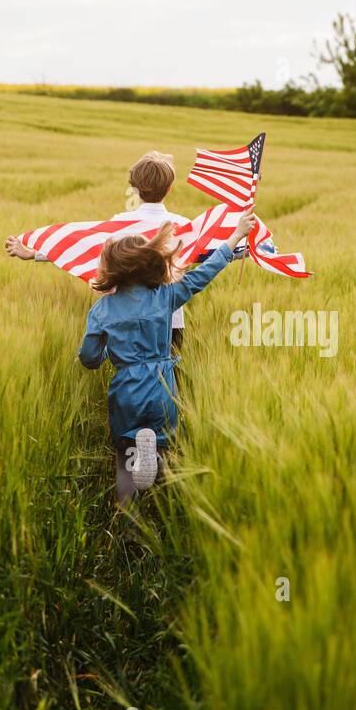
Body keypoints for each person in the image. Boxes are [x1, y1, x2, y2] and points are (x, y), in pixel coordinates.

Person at [78, 209, 257, 504]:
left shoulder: (102, 310)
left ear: (112, 269)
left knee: (125, 454)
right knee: (165, 446)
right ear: (150, 265)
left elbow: (89, 357)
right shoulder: (165, 296)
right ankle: (161, 494)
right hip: (162, 385)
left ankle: (129, 519)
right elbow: (202, 275)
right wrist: (236, 234)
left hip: (127, 388)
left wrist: (107, 352)